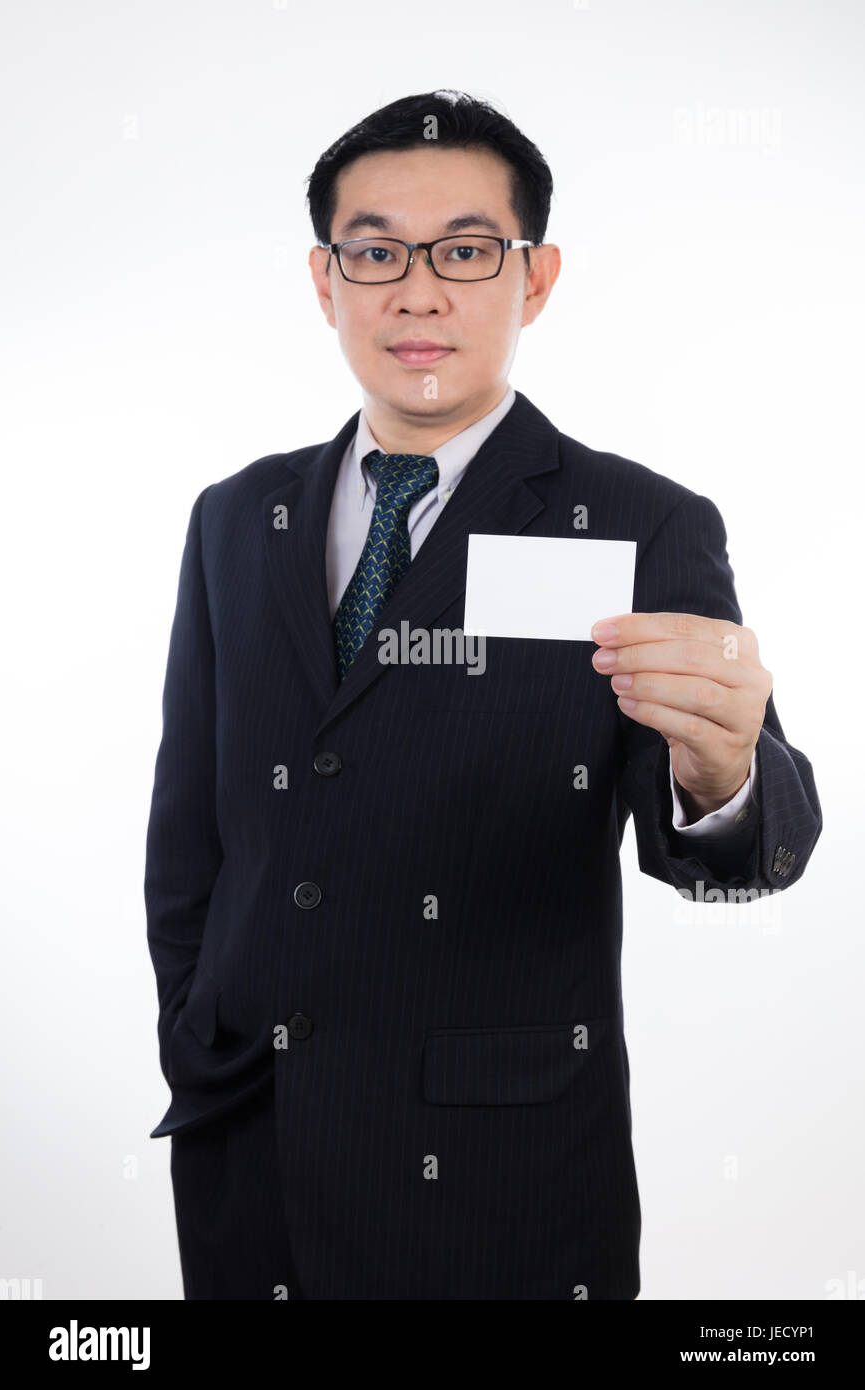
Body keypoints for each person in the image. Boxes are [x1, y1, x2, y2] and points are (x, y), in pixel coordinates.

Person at [145, 89, 822, 1300]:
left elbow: (752, 847)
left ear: (536, 276)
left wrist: (719, 775)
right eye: (375, 251)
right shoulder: (236, 517)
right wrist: (194, 1028)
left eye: (464, 251)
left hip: (496, 1176)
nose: (417, 292)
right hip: (250, 1139)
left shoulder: (635, 522)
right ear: (324, 277)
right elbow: (189, 830)